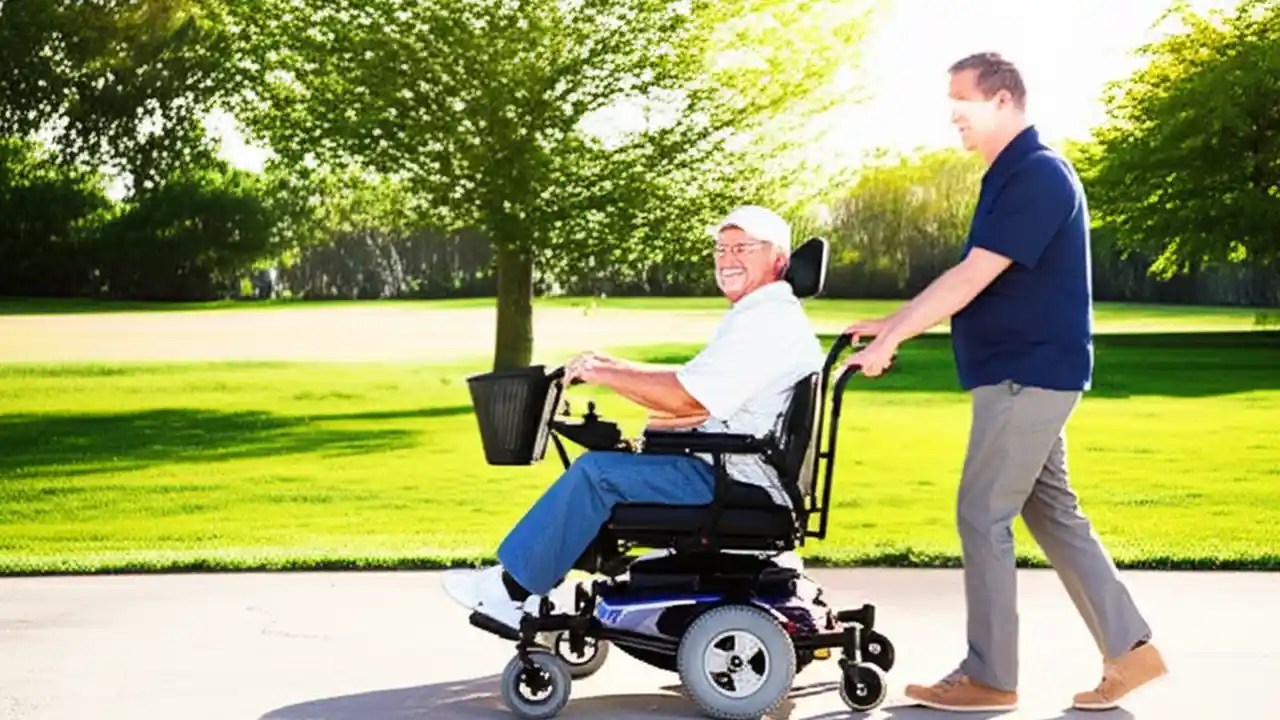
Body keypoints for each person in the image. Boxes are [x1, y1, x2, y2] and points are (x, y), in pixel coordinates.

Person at [841, 52, 1166, 712]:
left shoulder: (1037, 175)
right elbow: (973, 280)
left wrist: (895, 337)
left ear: (1004, 100)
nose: (952, 114)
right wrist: (892, 320)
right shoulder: (1008, 177)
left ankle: (990, 677)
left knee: (981, 512)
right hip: (1025, 372)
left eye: (962, 101)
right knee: (1053, 514)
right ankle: (1131, 651)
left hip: (1027, 374)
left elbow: (971, 277)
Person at [443, 204, 825, 630]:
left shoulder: (766, 322)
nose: (727, 258)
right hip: (739, 467)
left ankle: (510, 591)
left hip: (736, 478)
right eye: (721, 248)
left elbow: (685, 397)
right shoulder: (764, 315)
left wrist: (604, 373)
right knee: (615, 457)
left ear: (779, 259)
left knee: (596, 473)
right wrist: (613, 366)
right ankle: (537, 583)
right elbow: (695, 388)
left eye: (743, 248)